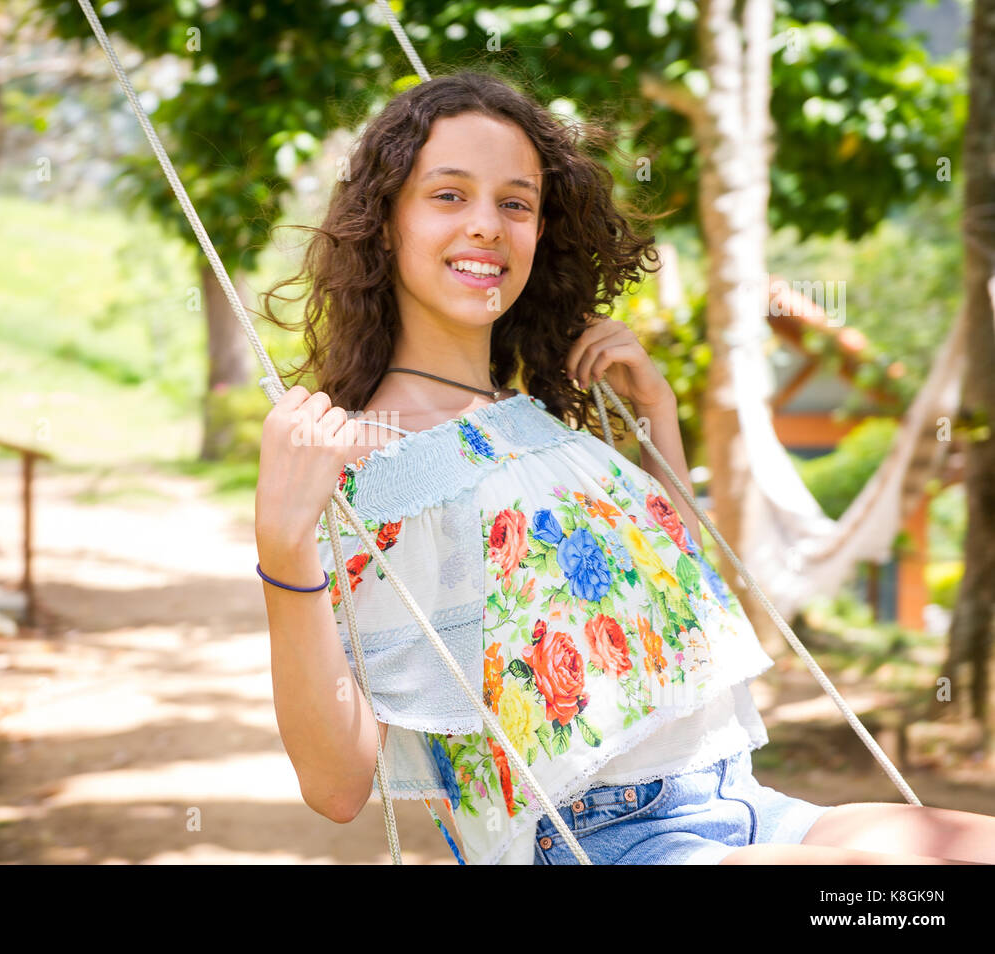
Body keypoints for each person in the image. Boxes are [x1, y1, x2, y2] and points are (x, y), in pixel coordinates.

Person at [253, 69, 995, 865]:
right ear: (386, 223)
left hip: (741, 803)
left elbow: (681, 599)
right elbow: (335, 786)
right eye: (447, 196)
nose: (487, 228)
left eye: (515, 202)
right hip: (595, 841)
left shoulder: (532, 420)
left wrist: (657, 423)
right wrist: (284, 552)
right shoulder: (375, 459)